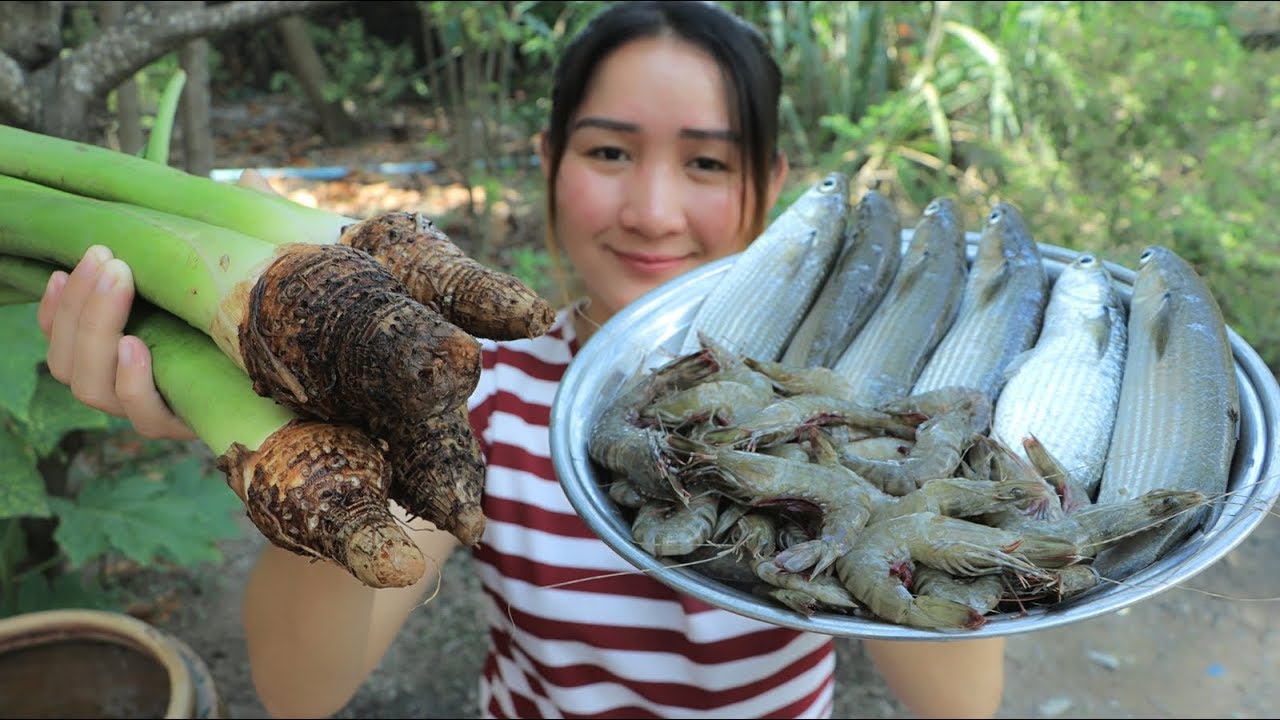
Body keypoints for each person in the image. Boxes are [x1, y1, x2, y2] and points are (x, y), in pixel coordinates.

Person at [36, 2, 1006, 718]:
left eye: (705, 162)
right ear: (547, 160)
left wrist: (930, 449)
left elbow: (960, 704)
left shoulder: (851, 406)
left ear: (768, 186)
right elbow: (299, 690)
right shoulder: (474, 392)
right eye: (609, 153)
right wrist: (304, 439)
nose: (653, 210)